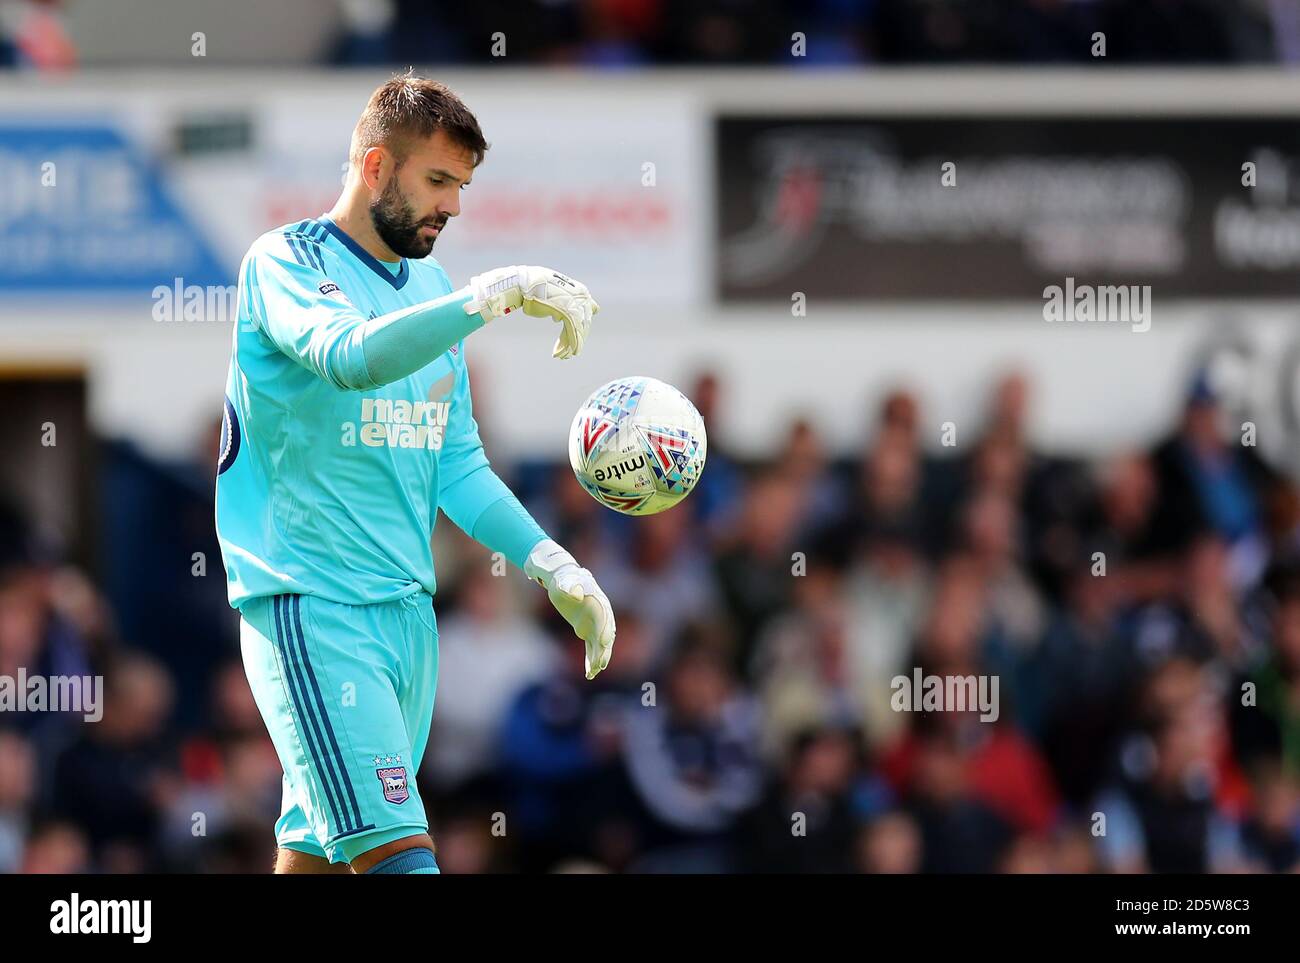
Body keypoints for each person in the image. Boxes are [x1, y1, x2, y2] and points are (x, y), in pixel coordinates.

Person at [215, 73, 616, 875]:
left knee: (320, 859)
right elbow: (350, 356)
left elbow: (457, 464)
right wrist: (491, 297)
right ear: (374, 168)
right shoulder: (284, 262)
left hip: (407, 617)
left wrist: (553, 565)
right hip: (313, 607)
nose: (455, 206)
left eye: (462, 185)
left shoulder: (430, 290)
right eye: (438, 180)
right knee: (403, 859)